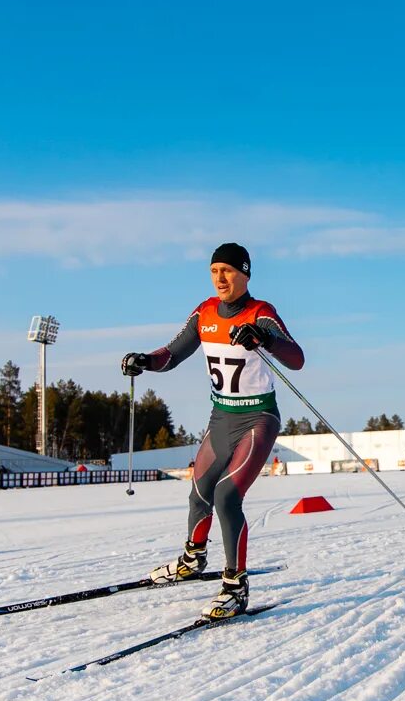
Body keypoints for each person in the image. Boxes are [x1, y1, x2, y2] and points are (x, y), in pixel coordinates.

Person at [121, 243, 305, 618]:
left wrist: (264, 338)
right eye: (214, 271)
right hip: (221, 417)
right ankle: (192, 560)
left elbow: (296, 358)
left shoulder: (261, 312)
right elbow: (171, 354)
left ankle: (236, 585)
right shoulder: (204, 313)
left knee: (226, 495)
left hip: (257, 419)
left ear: (245, 274)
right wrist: (145, 361)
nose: (220, 278)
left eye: (228, 271)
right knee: (200, 491)